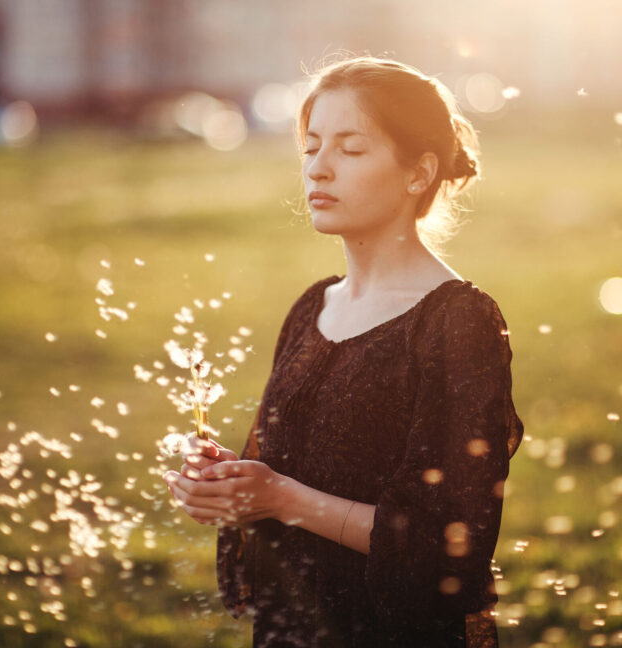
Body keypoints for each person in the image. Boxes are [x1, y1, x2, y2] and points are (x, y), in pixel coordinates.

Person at [164, 56, 524, 647]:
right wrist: (230, 485)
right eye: (310, 148)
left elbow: (445, 544)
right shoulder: (312, 307)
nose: (319, 170)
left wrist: (279, 496)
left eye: (350, 150)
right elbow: (290, 474)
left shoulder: (457, 323)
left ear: (418, 173)